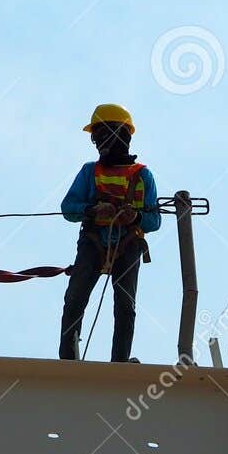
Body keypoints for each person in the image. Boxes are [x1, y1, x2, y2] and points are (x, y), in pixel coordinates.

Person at [58, 104, 161, 361]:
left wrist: (135, 216)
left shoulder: (142, 176)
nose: (97, 143)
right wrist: (92, 210)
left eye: (100, 135)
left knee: (125, 306)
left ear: (120, 135)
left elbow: (154, 220)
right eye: (95, 137)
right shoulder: (90, 171)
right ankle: (68, 359)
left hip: (128, 244)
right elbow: (69, 209)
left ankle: (120, 361)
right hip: (93, 241)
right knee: (75, 299)